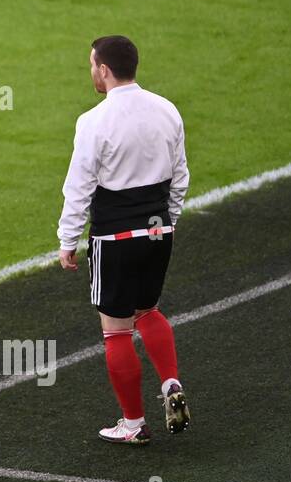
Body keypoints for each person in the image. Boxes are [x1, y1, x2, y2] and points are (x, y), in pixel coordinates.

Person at [57, 35, 191, 444]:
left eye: (91, 64)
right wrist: (168, 222)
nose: (90, 71)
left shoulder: (93, 121)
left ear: (103, 69)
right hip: (157, 232)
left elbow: (78, 187)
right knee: (148, 310)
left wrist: (68, 239)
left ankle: (133, 424)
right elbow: (180, 176)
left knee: (116, 331)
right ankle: (170, 383)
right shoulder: (167, 109)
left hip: (114, 238)